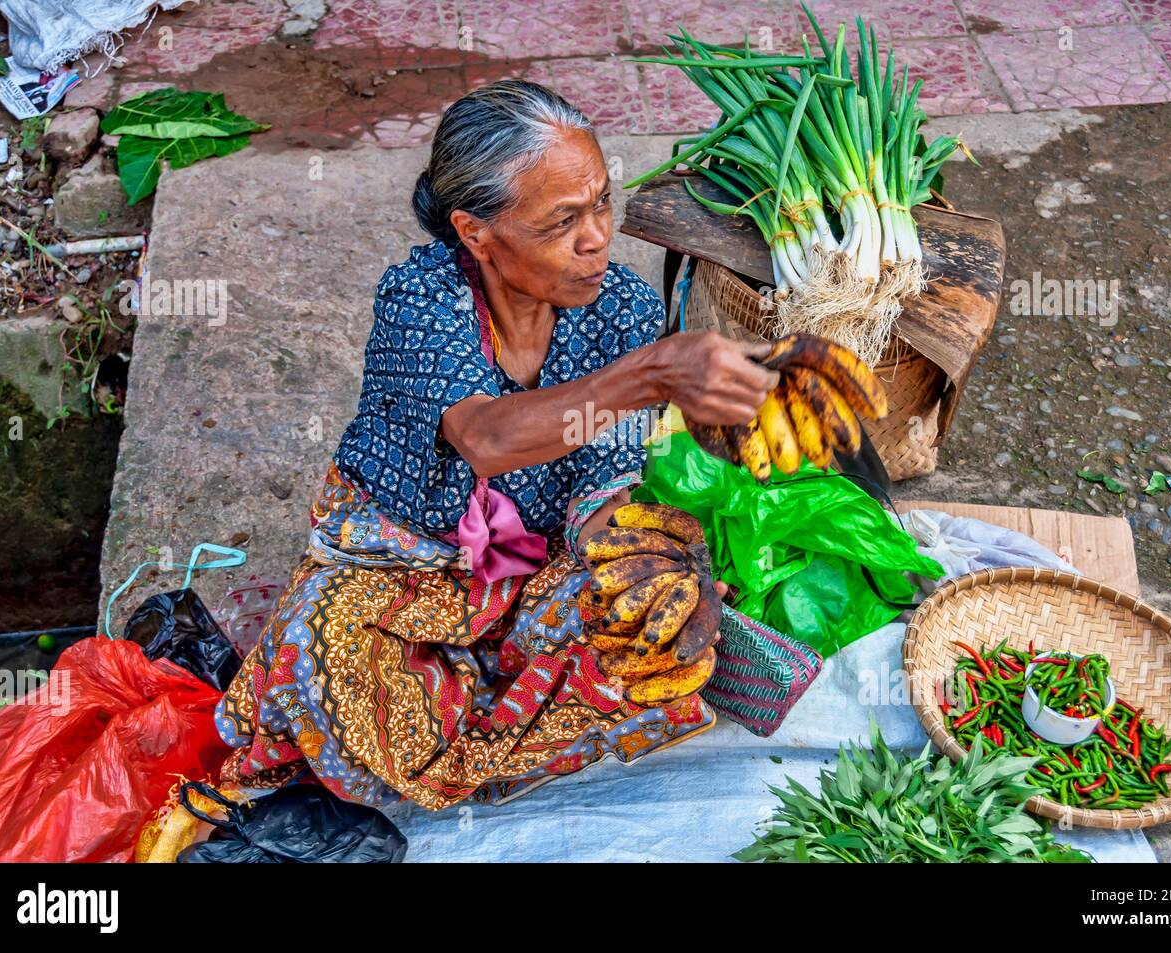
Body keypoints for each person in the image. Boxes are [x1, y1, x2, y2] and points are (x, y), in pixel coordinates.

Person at [215, 80, 776, 810]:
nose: (597, 237)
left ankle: (487, 728)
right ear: (476, 231)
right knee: (323, 646)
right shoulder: (421, 297)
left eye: (602, 202)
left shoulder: (625, 311)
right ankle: (486, 741)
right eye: (562, 221)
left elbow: (600, 485)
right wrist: (651, 374)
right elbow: (484, 437)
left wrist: (637, 567)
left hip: (538, 565)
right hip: (406, 559)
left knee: (656, 636)